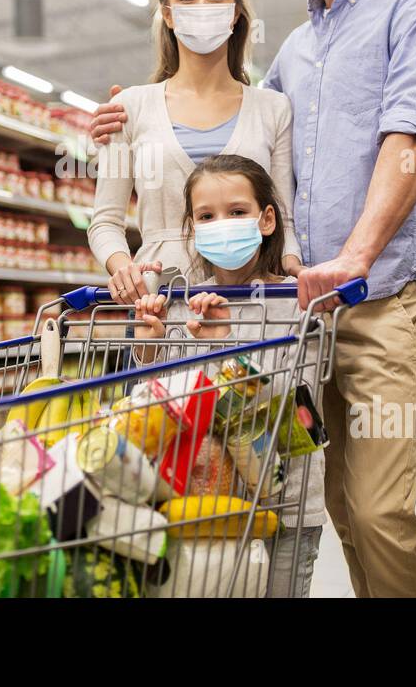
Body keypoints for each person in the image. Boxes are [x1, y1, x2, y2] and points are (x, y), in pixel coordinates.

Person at [89, 0, 416, 598]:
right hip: (284, 319)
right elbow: (240, 164)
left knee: (380, 511)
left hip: (380, 297)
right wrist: (123, 117)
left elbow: (411, 139)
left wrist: (350, 260)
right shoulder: (294, 57)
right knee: (332, 509)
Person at [131, 154, 325, 598]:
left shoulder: (299, 303)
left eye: (237, 212)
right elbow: (163, 402)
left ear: (267, 219)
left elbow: (285, 408)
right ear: (192, 228)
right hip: (199, 503)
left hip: (286, 502)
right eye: (207, 216)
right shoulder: (181, 301)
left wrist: (225, 342)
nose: (222, 223)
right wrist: (149, 340)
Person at [87, 0, 301, 304]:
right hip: (159, 303)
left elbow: (283, 218)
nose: (202, 6)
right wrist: (123, 267)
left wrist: (296, 272)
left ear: (235, 12)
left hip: (253, 307)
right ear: (168, 14)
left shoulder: (273, 108)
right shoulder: (129, 108)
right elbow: (105, 221)